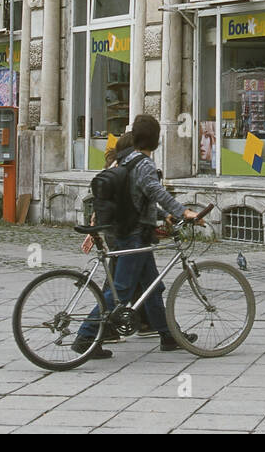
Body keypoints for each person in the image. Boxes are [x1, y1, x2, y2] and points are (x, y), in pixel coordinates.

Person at [73, 114, 202, 358]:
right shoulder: (144, 164)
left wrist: (164, 215)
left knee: (152, 287)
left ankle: (167, 335)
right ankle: (85, 336)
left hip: (127, 230)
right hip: (133, 234)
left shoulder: (126, 159)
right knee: (121, 290)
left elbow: (138, 198)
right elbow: (154, 191)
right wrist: (182, 211)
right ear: (155, 139)